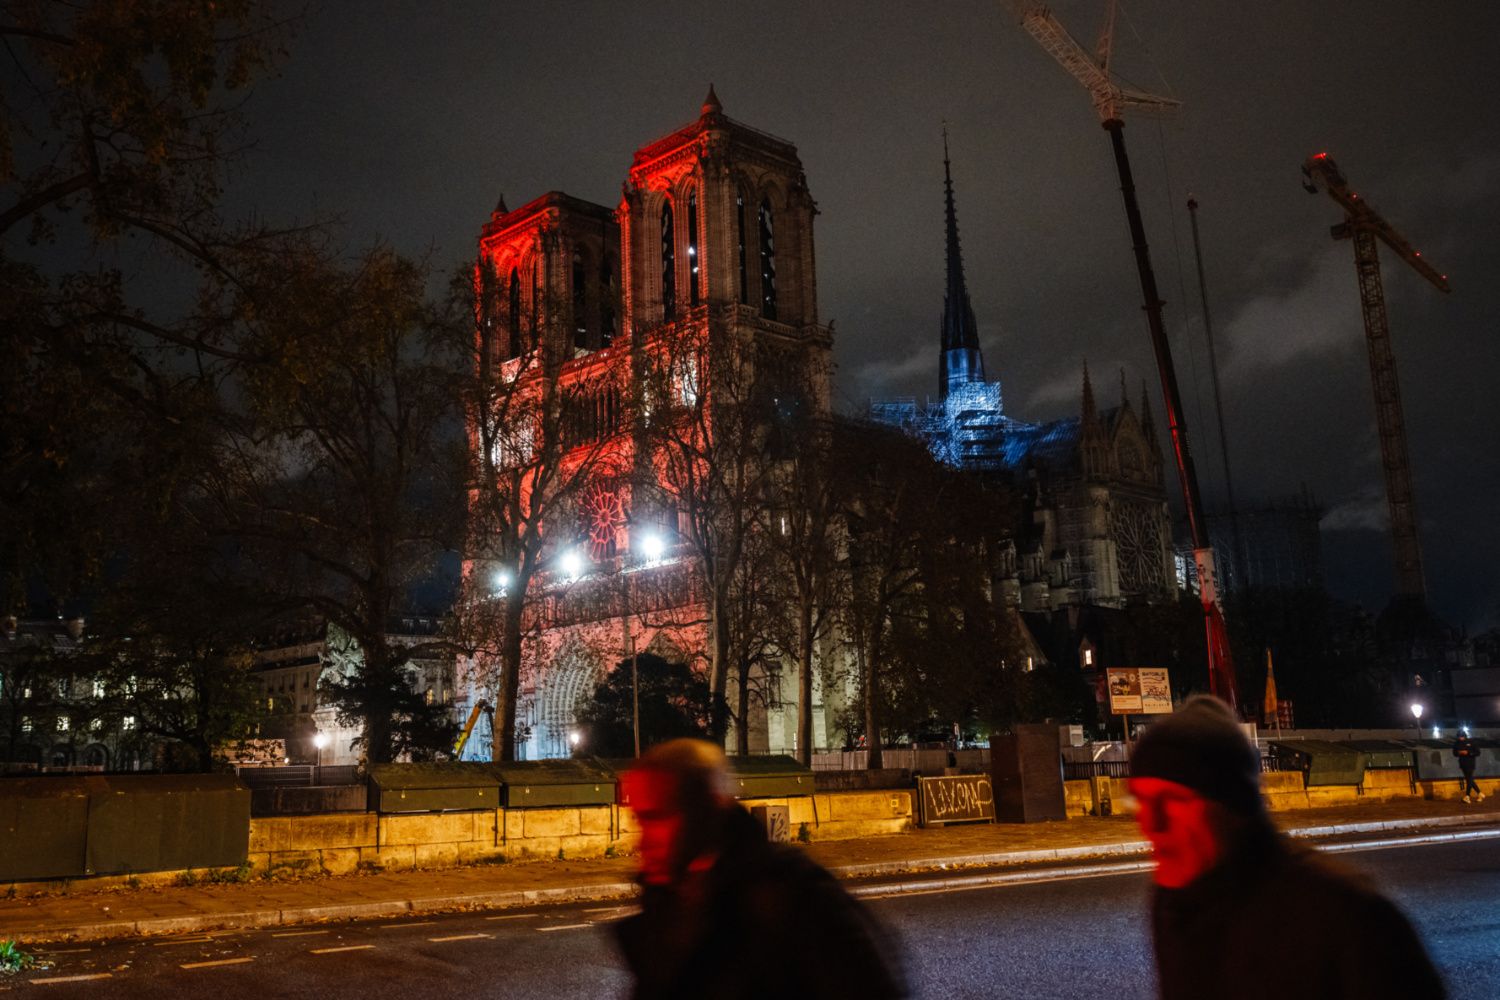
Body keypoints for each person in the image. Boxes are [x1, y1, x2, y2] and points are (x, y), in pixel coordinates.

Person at [1128, 695, 1446, 999]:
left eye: (1173, 800)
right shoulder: (1171, 905)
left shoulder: (1348, 918)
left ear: (1233, 807)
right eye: (1141, 800)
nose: (1151, 825)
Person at [614, 738, 907, 1000]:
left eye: (657, 818)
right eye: (639, 820)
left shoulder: (795, 899)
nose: (642, 843)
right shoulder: (667, 906)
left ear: (707, 808)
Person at [1452, 731, 1483, 803]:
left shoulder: (1471, 742)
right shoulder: (1456, 743)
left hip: (1470, 763)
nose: (1460, 738)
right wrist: (1458, 753)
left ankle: (1467, 796)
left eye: (1462, 737)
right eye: (1459, 737)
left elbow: (1478, 752)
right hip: (1462, 763)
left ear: (1464, 736)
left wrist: (1468, 753)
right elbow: (1454, 753)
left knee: (1469, 779)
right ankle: (1479, 793)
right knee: (1469, 779)